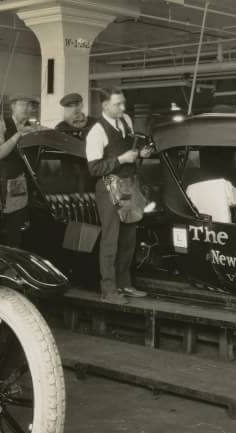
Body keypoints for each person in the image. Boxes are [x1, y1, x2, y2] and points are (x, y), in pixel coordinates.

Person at [85, 88, 152, 304]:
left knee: (128, 238)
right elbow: (94, 168)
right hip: (109, 186)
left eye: (123, 103)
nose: (123, 108)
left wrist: (141, 153)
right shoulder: (96, 131)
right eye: (117, 104)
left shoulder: (126, 121)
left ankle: (124, 284)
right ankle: (108, 289)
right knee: (111, 240)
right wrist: (121, 160)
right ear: (105, 106)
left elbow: (129, 147)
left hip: (128, 185)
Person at [0, 96, 48, 246]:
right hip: (12, 184)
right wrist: (18, 134)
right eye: (24, 105)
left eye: (31, 106)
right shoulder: (1, 125)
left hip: (33, 185)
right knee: (13, 228)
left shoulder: (34, 128)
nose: (28, 109)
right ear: (13, 106)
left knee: (33, 230)